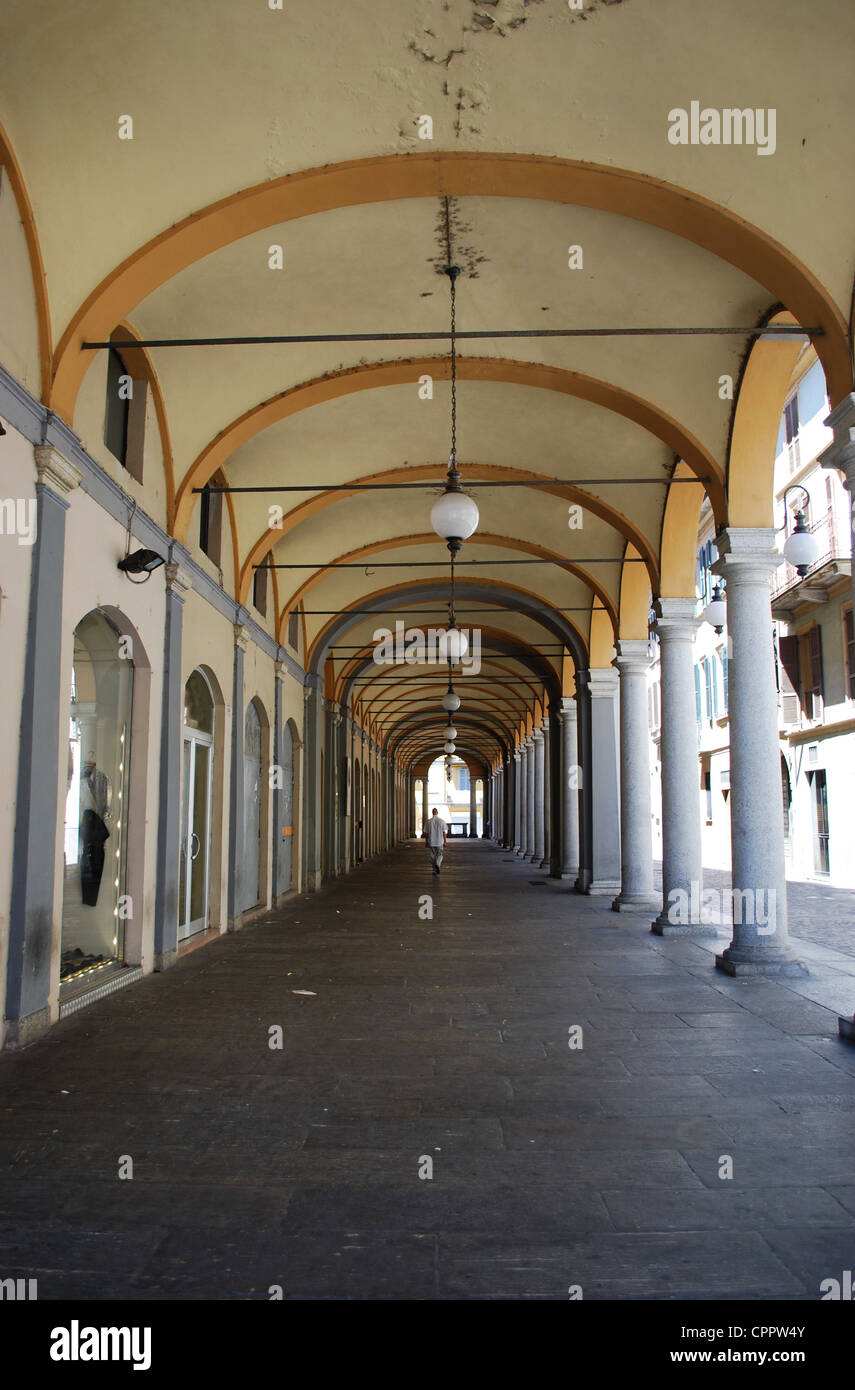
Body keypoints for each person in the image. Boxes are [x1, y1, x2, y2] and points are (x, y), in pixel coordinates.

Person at [424, 807, 447, 875]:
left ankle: (434, 870)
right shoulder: (442, 821)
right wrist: (445, 841)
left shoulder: (428, 821)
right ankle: (437, 864)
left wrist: (426, 842)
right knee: (439, 855)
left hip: (431, 841)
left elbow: (427, 833)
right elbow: (444, 833)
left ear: (432, 813)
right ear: (437, 812)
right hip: (439, 842)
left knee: (432, 856)